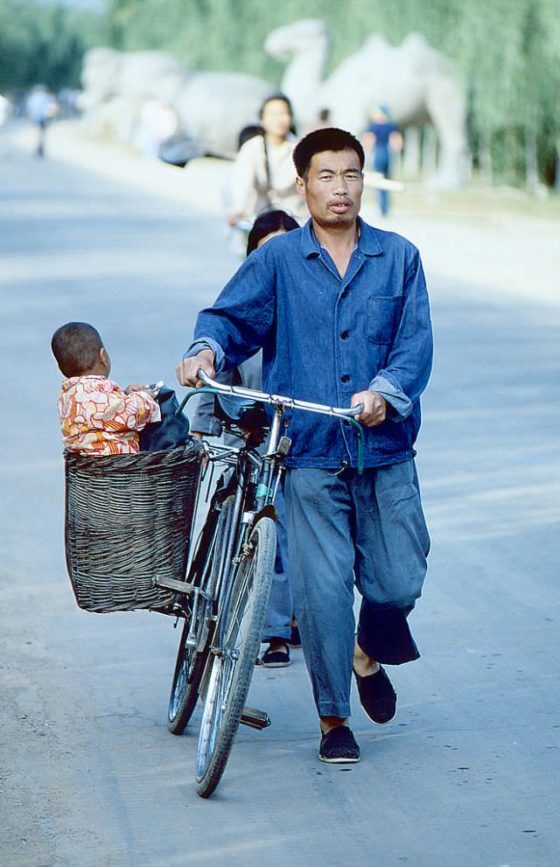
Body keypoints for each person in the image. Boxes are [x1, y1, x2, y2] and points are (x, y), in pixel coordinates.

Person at [177, 127, 432, 764]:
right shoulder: (279, 259)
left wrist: (385, 391)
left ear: (363, 181)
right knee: (320, 595)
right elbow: (228, 319)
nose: (340, 188)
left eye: (350, 175)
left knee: (399, 581)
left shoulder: (399, 257)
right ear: (303, 183)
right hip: (311, 452)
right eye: (326, 176)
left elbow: (415, 346)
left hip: (386, 448)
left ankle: (368, 650)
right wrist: (205, 350)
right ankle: (332, 719)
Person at [189, 210, 300, 667]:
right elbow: (216, 366)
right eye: (264, 253)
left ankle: (282, 624)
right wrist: (201, 428)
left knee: (288, 537)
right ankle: (266, 626)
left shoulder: (308, 313)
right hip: (247, 435)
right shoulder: (243, 310)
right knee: (244, 522)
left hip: (298, 441)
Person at [52, 322, 160, 456]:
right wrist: (145, 397)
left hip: (84, 467)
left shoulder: (68, 394)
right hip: (116, 465)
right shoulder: (97, 388)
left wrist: (125, 394)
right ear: (103, 357)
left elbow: (103, 414)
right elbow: (130, 414)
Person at [226, 93, 307, 227]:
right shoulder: (252, 147)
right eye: (272, 114)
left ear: (291, 118)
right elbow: (241, 180)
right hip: (262, 218)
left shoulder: (301, 148)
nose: (278, 119)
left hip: (296, 219)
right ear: (262, 119)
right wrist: (237, 209)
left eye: (283, 113)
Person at [363, 106, 403, 217]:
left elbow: (369, 141)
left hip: (378, 153)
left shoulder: (373, 126)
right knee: (387, 179)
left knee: (379, 180)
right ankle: (386, 207)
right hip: (388, 154)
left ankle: (382, 207)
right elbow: (397, 142)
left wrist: (367, 154)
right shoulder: (392, 126)